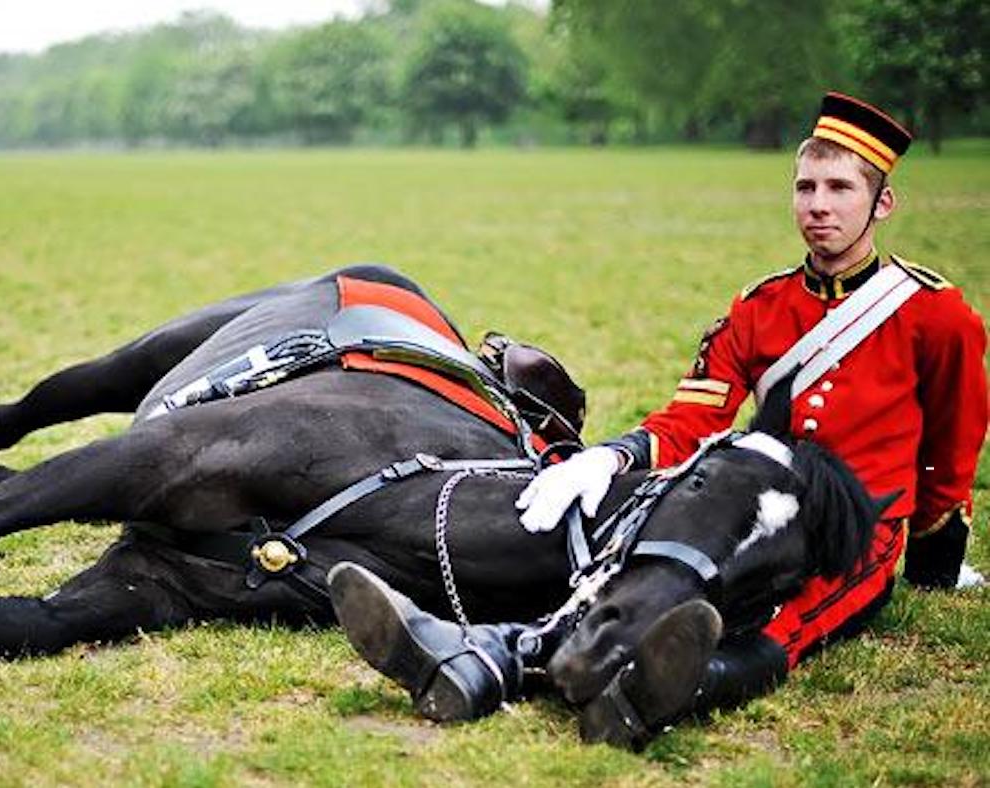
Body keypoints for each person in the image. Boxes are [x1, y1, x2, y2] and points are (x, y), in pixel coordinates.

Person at [328, 92, 988, 746]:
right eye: (806, 186)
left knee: (780, 619)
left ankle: (665, 690)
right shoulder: (759, 307)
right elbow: (694, 419)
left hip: (849, 529)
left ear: (882, 204)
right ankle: (498, 654)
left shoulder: (935, 314)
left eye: (841, 188)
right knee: (644, 560)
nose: (818, 205)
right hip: (749, 499)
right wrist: (611, 456)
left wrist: (933, 557)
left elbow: (952, 451)